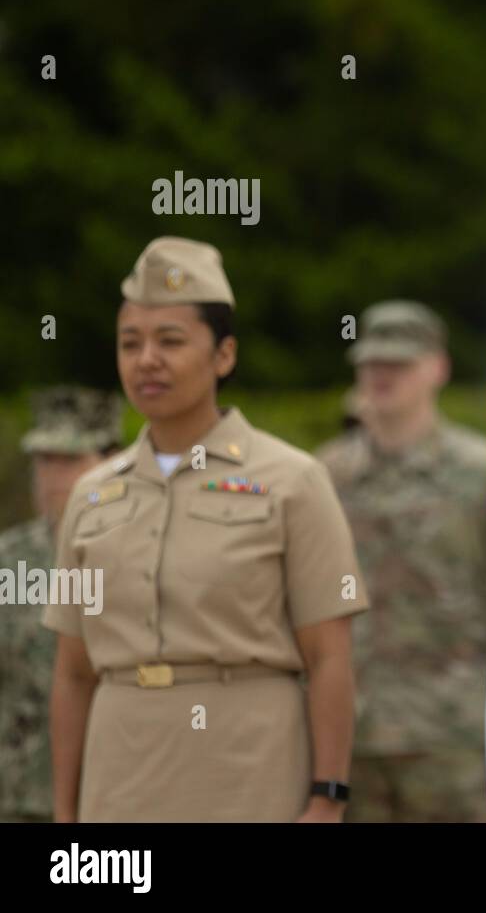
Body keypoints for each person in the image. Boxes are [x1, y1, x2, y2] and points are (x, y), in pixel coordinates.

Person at [42, 236, 370, 822]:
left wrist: (328, 799)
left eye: (170, 341)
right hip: (120, 782)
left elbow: (329, 656)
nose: (147, 360)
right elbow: (72, 671)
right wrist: (65, 816)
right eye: (130, 343)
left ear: (223, 356)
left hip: (249, 772)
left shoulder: (294, 480)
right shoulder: (91, 496)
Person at [315, 300, 486, 822]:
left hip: (453, 734)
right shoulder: (324, 476)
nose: (381, 375)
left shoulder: (483, 474)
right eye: (372, 363)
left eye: (399, 363)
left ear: (437, 368)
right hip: (353, 733)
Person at [0, 387, 120, 823]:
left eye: (70, 461)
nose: (53, 477)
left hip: (111, 794)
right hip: (17, 797)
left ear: (110, 464)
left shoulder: (138, 556)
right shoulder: (10, 560)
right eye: (43, 461)